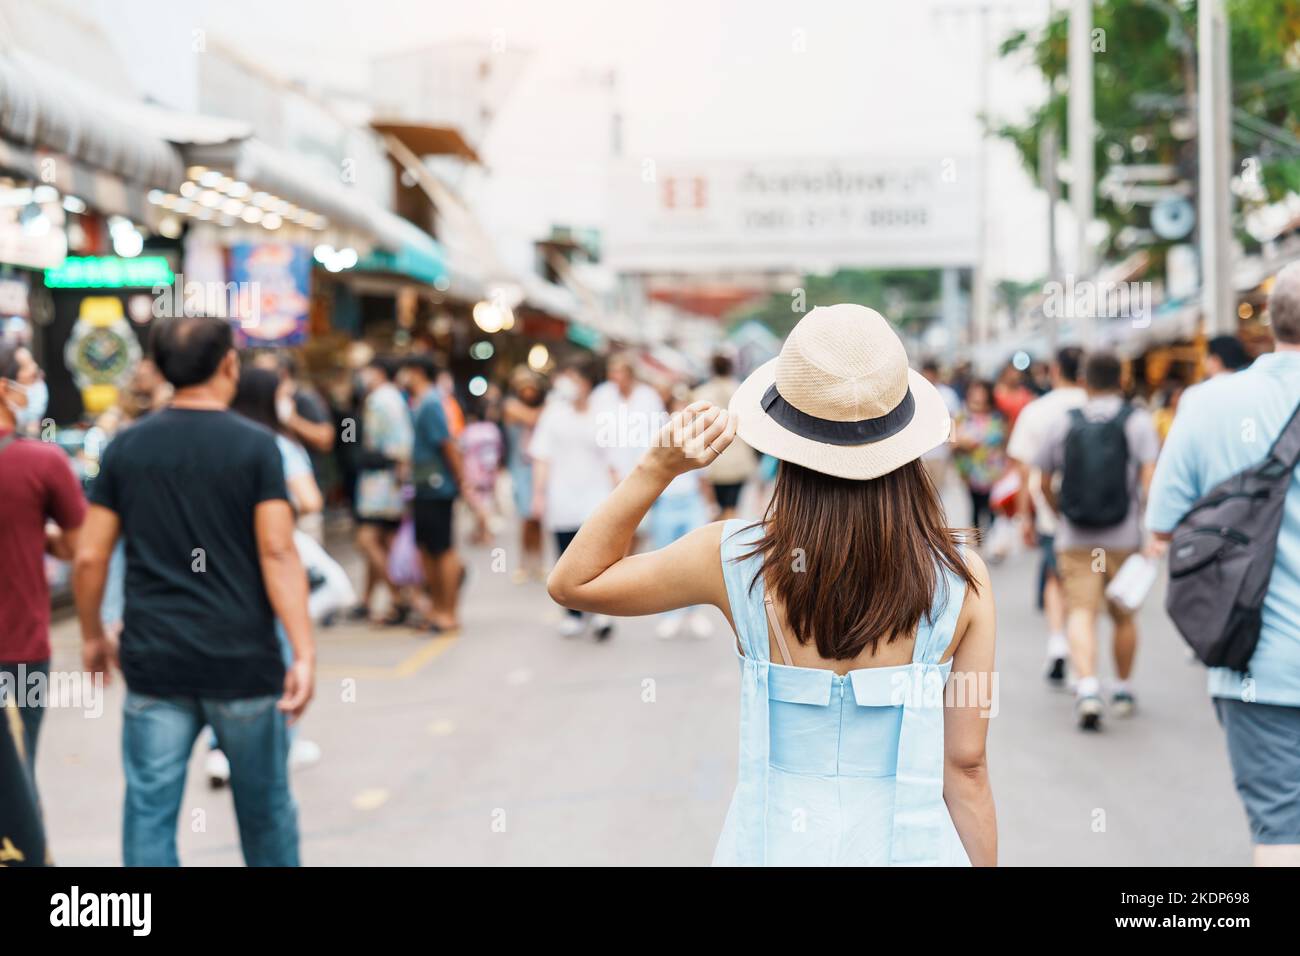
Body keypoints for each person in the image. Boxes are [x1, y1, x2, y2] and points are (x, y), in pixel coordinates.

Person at [548, 305, 996, 866]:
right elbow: (968, 766)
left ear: (784, 435)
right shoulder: (963, 579)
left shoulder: (733, 559)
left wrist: (654, 470)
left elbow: (574, 583)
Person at [72, 315, 314, 867]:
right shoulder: (257, 449)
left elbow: (90, 554)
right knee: (266, 812)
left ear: (158, 369)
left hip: (155, 661)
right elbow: (278, 552)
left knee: (149, 812)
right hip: (244, 662)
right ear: (229, 363)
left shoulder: (126, 448)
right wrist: (302, 651)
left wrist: (91, 636)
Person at [1146, 262, 1300, 866]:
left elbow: (1162, 523)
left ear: (1267, 320)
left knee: (1282, 833)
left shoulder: (1210, 404)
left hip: (1258, 661)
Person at [1033, 352, 1159, 731]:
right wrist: (1146, 523)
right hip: (1120, 537)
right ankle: (1121, 687)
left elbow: (1042, 479)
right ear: (1122, 379)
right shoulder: (1136, 420)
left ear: (1084, 381)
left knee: (1081, 611)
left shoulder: (1064, 422)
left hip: (1077, 538)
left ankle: (1088, 687)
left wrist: (1059, 515)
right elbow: (1149, 476)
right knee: (1122, 614)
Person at [0, 342, 86, 799]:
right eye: (31, 377)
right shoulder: (41, 461)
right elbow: (79, 546)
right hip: (19, 650)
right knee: (16, 783)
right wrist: (42, 535)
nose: (38, 387)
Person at [1005, 346, 1087, 686]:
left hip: (1050, 509)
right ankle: (1084, 661)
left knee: (1055, 576)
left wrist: (1024, 517)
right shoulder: (1101, 407)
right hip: (1100, 514)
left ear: (1055, 370)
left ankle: (1057, 641)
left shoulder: (1036, 411)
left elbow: (1024, 471)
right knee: (1084, 582)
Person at [530, 357, 616, 640]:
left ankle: (602, 610)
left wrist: (623, 496)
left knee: (599, 556)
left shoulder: (603, 414)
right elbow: (542, 456)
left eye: (574, 377)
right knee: (566, 555)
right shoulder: (553, 415)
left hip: (596, 496)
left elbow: (612, 459)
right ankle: (573, 613)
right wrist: (538, 495)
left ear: (587, 382)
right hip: (562, 496)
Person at [398, 354, 464, 634]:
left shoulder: (432, 402)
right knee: (428, 550)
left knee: (442, 549)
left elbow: (446, 444)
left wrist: (461, 479)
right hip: (425, 487)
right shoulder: (422, 402)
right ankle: (437, 608)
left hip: (438, 487)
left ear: (416, 371)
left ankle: (447, 611)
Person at [350, 355, 413, 625]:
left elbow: (394, 444)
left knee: (367, 540)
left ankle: (399, 597)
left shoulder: (379, 400)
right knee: (383, 540)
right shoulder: (396, 398)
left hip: (380, 484)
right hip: (390, 481)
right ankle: (371, 599)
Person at [650, 389, 715, 639]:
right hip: (666, 504)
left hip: (691, 503)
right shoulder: (658, 437)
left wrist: (710, 505)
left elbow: (703, 477)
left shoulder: (697, 436)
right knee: (666, 561)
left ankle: (694, 613)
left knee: (695, 560)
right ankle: (671, 615)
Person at [692, 354, 757, 519]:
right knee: (732, 506)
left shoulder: (700, 393)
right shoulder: (742, 391)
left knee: (715, 507)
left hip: (711, 461)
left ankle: (716, 538)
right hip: (738, 461)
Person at [591, 352, 665, 485]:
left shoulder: (648, 396)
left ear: (630, 374)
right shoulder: (602, 395)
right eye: (612, 372)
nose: (615, 377)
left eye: (619, 372)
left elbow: (658, 432)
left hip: (642, 468)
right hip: (606, 471)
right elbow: (594, 432)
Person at [502, 369, 547, 582]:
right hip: (521, 468)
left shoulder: (543, 408)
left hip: (538, 467)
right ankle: (523, 563)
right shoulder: (511, 406)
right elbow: (531, 418)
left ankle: (538, 562)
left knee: (538, 518)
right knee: (526, 517)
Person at [952, 380, 1008, 541]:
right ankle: (978, 538)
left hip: (993, 470)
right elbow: (950, 441)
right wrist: (963, 443)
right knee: (975, 505)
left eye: (981, 392)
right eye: (974, 392)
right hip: (970, 471)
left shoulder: (997, 416)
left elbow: (1004, 441)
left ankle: (992, 536)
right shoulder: (960, 415)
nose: (977, 396)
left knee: (992, 506)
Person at [460, 397, 504, 545]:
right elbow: (498, 452)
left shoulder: (468, 431)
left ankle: (485, 532)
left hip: (472, 472)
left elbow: (462, 451)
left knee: (476, 504)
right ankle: (482, 532)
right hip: (488, 472)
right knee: (484, 502)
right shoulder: (493, 430)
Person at [919, 361, 961, 494]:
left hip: (940, 452)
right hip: (920, 453)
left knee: (936, 491)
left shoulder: (947, 394)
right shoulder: (917, 391)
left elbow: (953, 419)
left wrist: (952, 443)